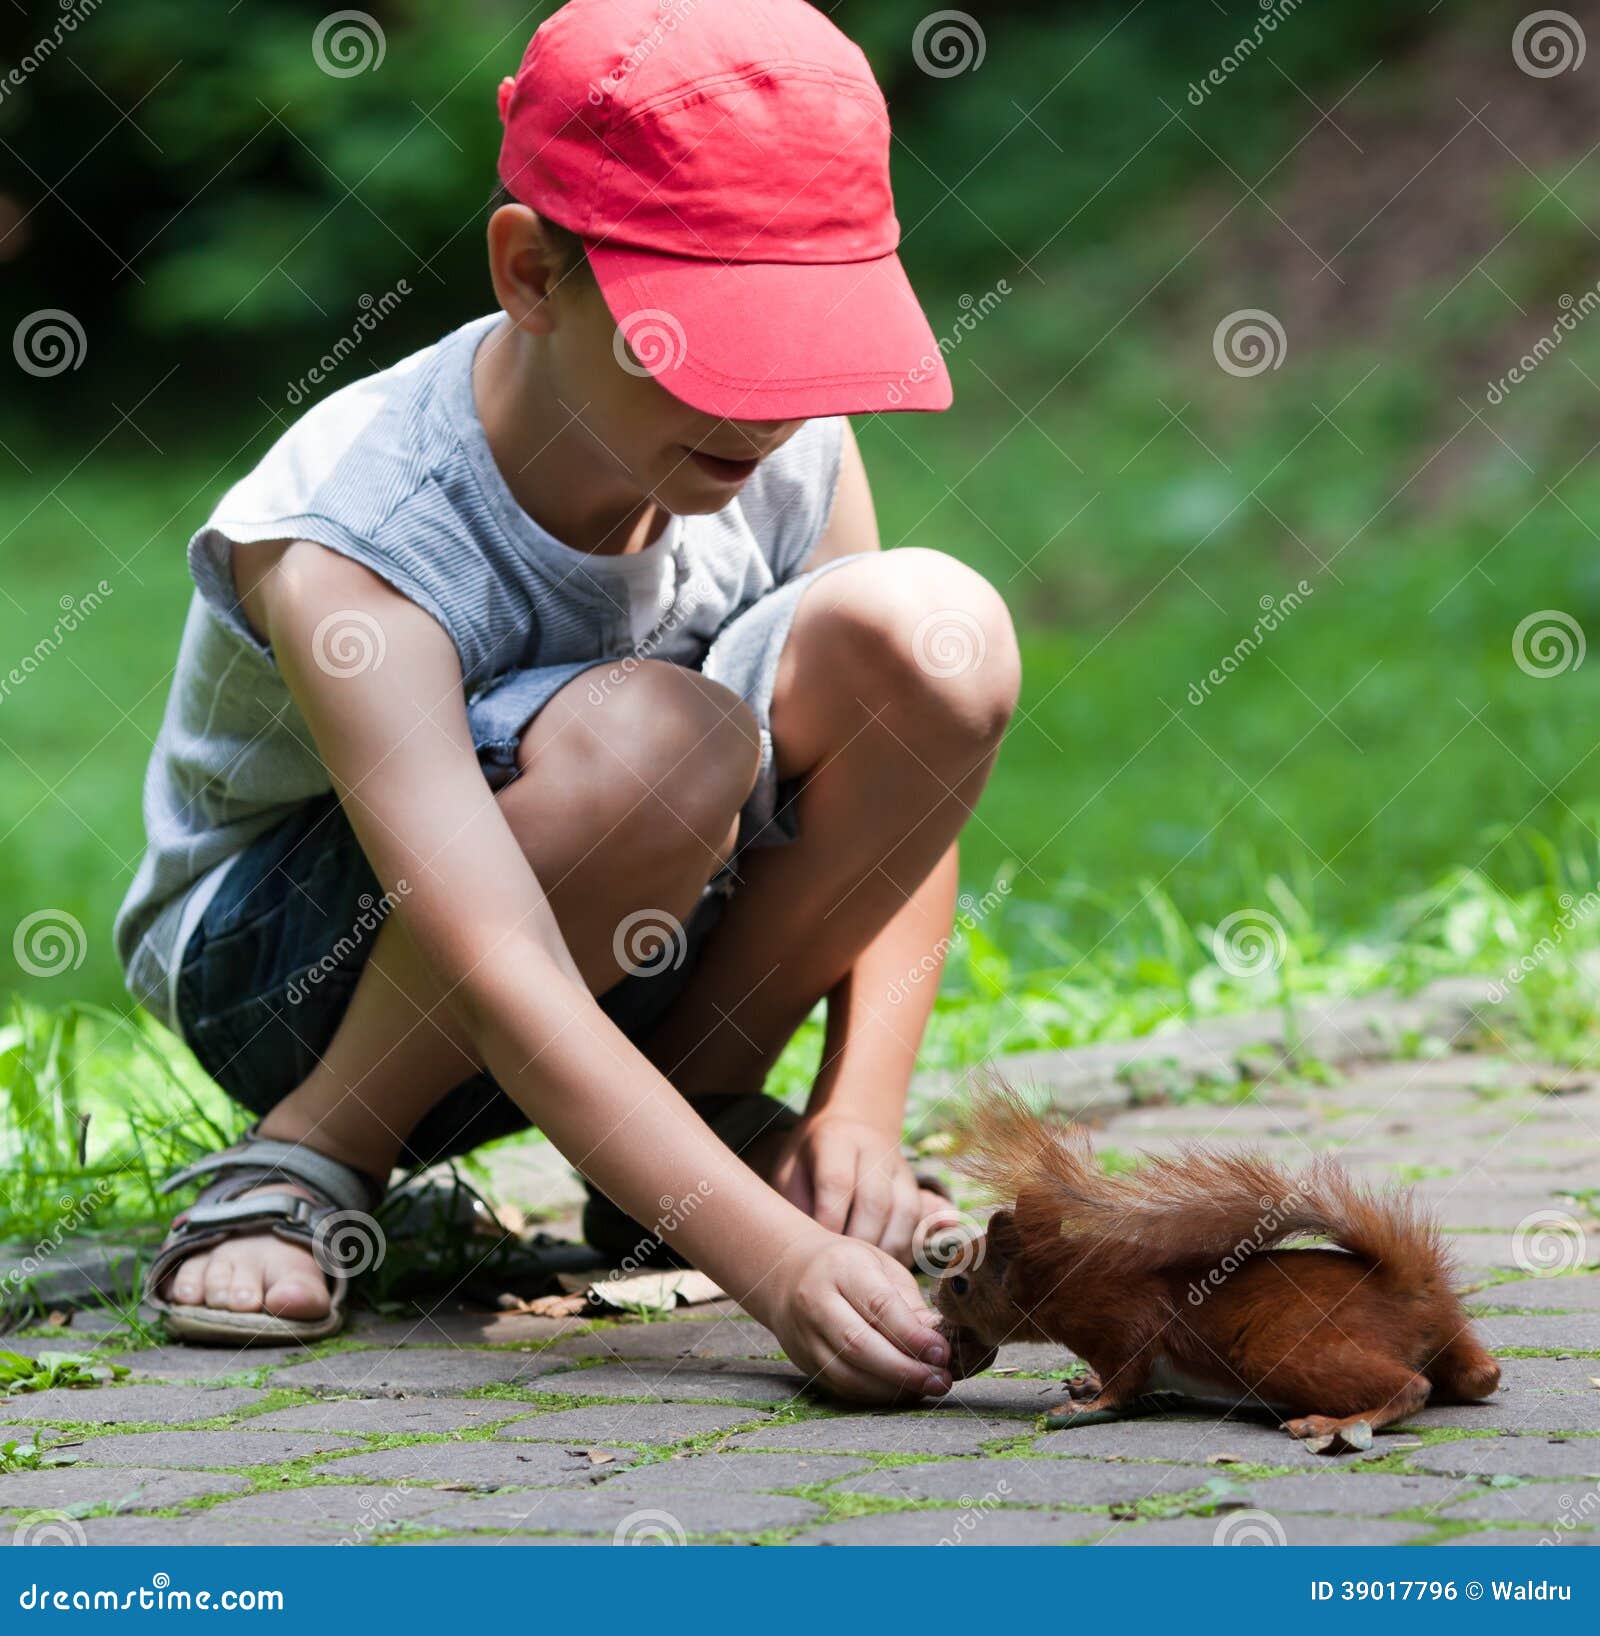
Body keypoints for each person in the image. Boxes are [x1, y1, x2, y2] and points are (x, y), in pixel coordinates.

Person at [114, 0, 1019, 1404]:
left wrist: (862, 1117)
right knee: (662, 742)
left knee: (938, 632)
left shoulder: (777, 434)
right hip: (301, 962)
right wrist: (775, 1266)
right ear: (534, 273)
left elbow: (911, 770)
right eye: (710, 342)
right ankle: (310, 1156)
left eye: (796, 339)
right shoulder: (358, 524)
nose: (768, 409)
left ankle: (695, 1134)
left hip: (641, 939)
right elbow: (498, 954)